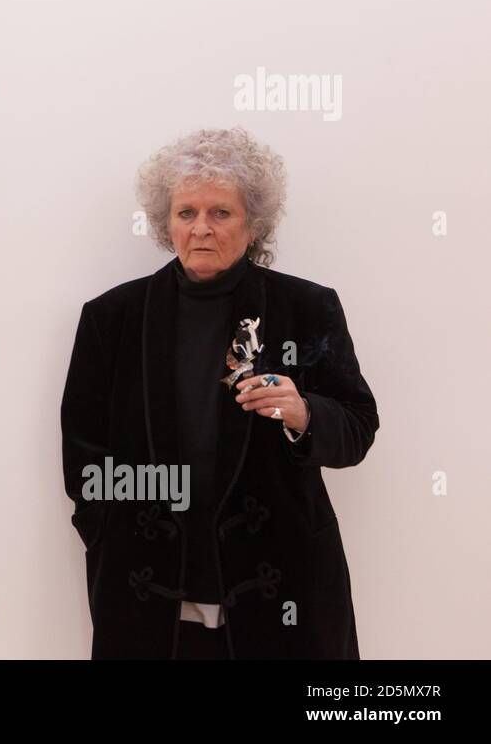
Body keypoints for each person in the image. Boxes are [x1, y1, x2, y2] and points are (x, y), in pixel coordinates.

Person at [60, 126, 379, 658]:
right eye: (186, 213)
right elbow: (84, 456)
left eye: (221, 213)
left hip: (285, 598)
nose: (201, 228)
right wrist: (106, 533)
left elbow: (357, 427)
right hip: (147, 599)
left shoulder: (307, 308)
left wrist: (304, 414)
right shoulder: (110, 319)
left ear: (253, 224)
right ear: (167, 222)